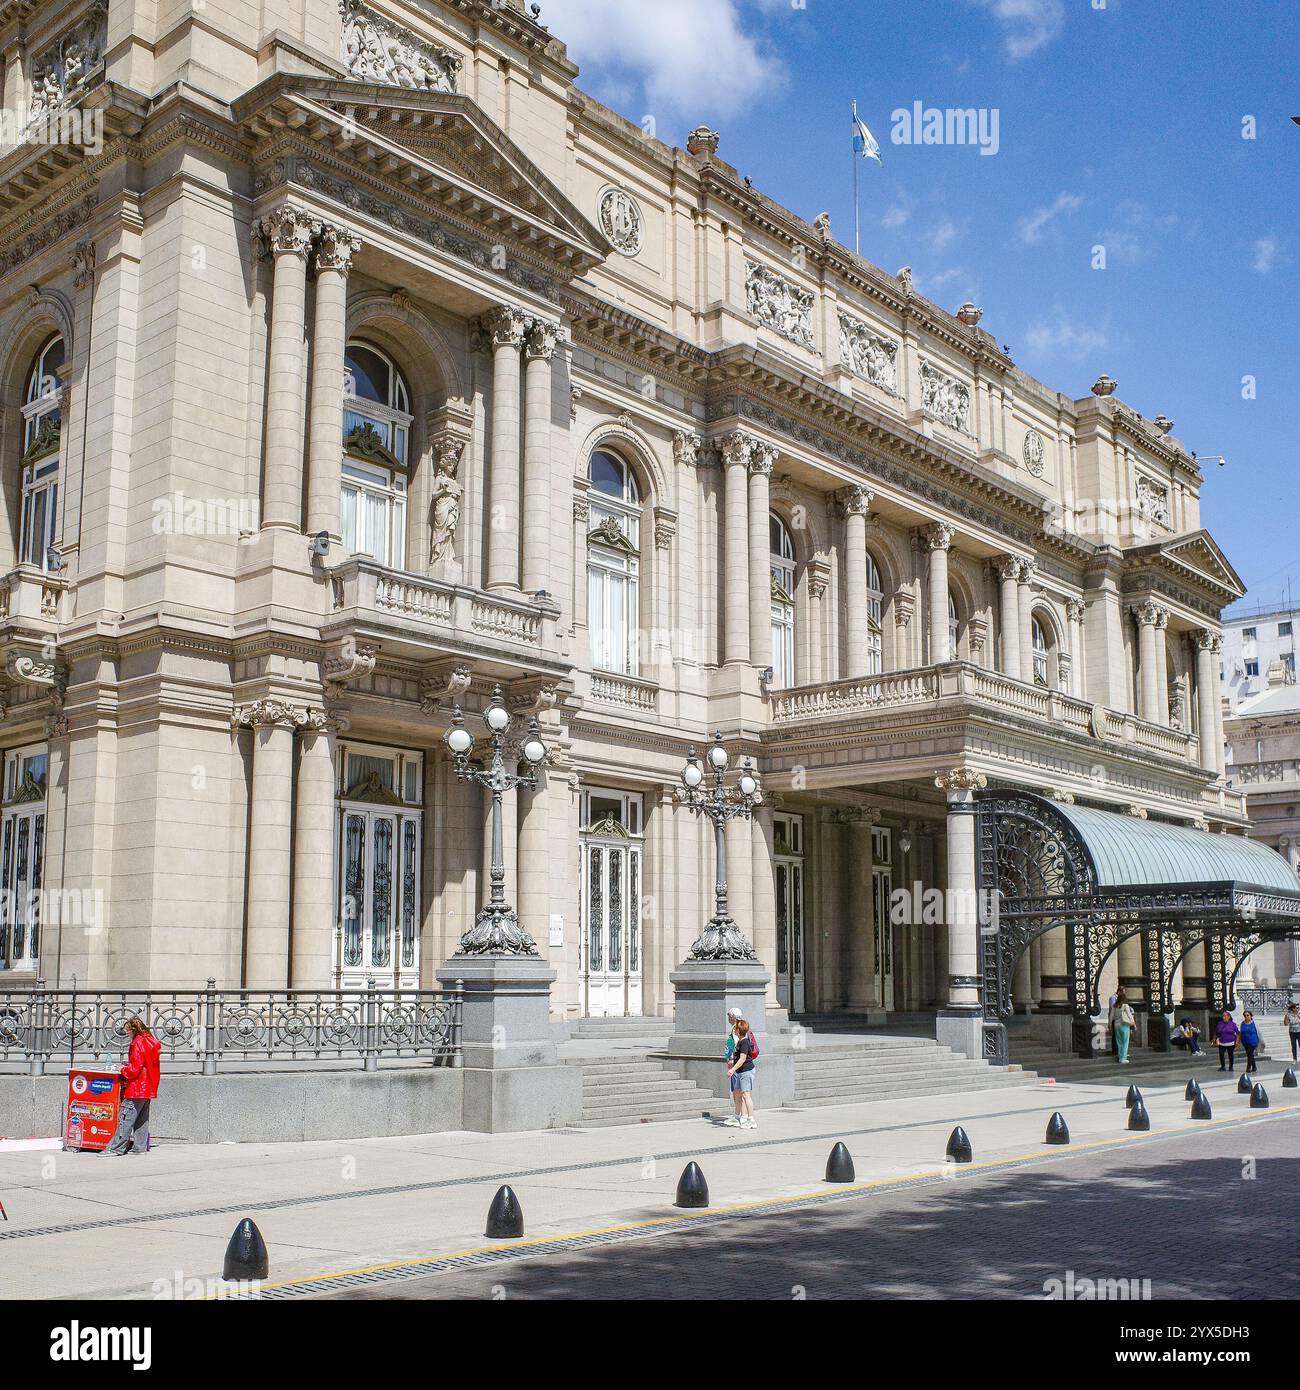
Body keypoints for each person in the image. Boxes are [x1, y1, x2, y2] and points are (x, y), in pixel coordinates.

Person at [103, 1017, 161, 1155]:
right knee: (142, 1120)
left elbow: (135, 1068)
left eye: (127, 1031)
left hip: (137, 1087)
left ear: (132, 1030)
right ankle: (139, 1147)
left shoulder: (137, 1043)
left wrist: (123, 1069)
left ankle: (116, 1148)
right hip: (149, 1087)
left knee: (126, 1117)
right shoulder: (150, 1041)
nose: (126, 1033)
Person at [726, 1017, 757, 1130]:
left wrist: (732, 1069)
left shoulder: (744, 1042)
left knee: (746, 1095)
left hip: (746, 1071)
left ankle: (751, 1120)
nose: (734, 1030)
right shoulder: (740, 1041)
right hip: (740, 1071)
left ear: (739, 1030)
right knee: (737, 1093)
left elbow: (743, 1058)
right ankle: (737, 1117)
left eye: (735, 1028)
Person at [722, 1007, 744, 1126]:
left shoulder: (737, 1029)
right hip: (735, 1063)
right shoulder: (736, 1028)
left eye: (729, 1015)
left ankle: (740, 1116)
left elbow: (734, 1046)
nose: (728, 1018)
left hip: (736, 1063)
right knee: (737, 1091)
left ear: (733, 1017)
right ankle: (739, 1114)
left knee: (738, 1091)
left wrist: (730, 1059)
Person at [1114, 994, 1136, 1064]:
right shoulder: (1125, 1006)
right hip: (1124, 1025)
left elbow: (1112, 1016)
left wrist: (1109, 1025)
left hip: (1116, 1025)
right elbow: (1129, 1015)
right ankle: (1123, 1058)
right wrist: (1133, 1024)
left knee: (1119, 1042)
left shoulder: (1114, 1006)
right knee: (1125, 1042)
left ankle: (1121, 1057)